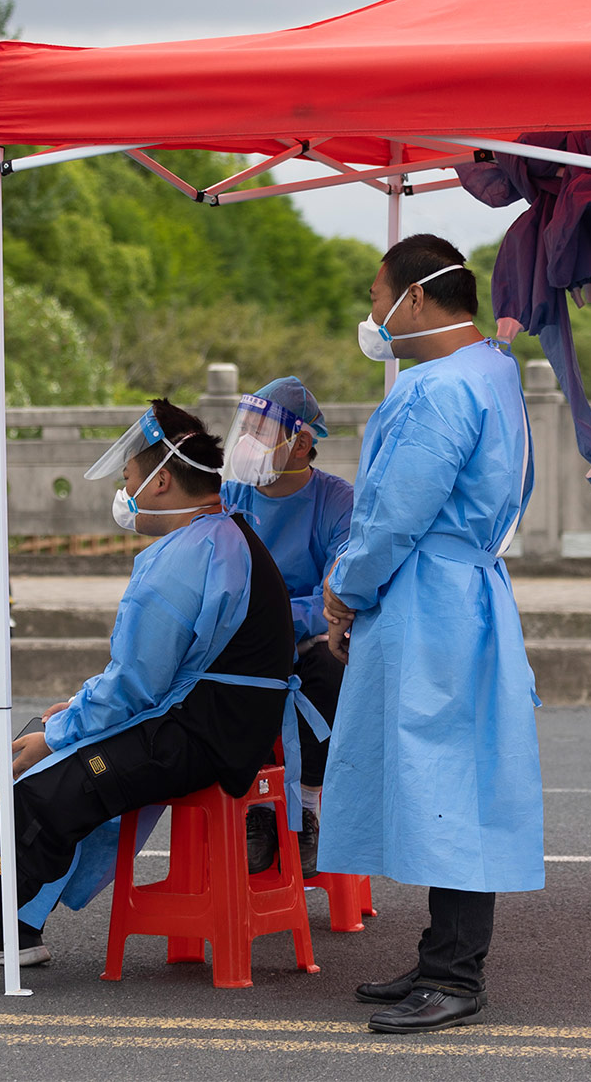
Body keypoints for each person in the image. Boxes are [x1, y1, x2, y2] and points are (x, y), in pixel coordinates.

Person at [0, 399, 302, 990]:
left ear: (161, 480)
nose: (126, 489)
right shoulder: (221, 531)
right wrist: (71, 717)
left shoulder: (180, 558)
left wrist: (63, 731)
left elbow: (136, 685)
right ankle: (2, 923)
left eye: (131, 478)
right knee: (51, 748)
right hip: (217, 721)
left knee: (41, 793)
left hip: (206, 733)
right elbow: (144, 678)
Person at [319, 234, 541, 1036]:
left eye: (377, 297)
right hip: (466, 586)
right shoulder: (493, 370)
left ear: (414, 297)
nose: (373, 314)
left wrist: (345, 588)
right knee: (453, 773)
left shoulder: (433, 388)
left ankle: (455, 973)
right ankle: (441, 950)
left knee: (442, 775)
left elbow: (394, 513)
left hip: (426, 596)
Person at [219, 375, 353, 878]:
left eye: (262, 429)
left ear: (301, 442)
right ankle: (256, 809)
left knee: (327, 661)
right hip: (245, 642)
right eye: (246, 427)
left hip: (308, 641)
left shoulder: (337, 500)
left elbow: (339, 590)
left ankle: (308, 808)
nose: (248, 439)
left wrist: (280, 619)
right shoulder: (231, 497)